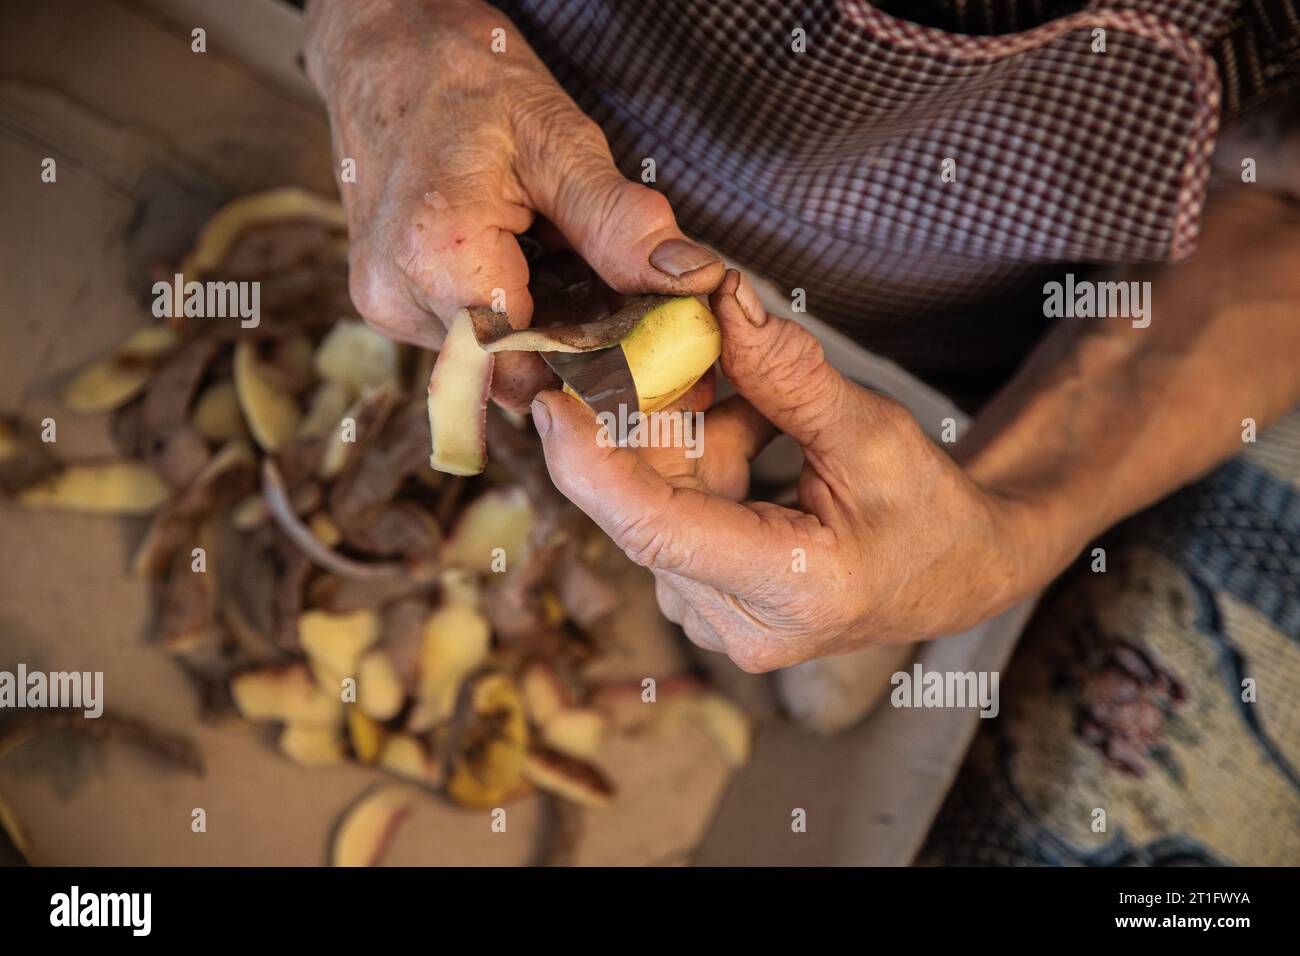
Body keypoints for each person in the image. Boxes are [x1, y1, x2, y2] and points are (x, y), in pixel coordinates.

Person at [303, 0, 1300, 673]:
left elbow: (1282, 225)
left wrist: (1008, 521)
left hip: (933, 339)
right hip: (438, 162)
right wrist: (378, 29)